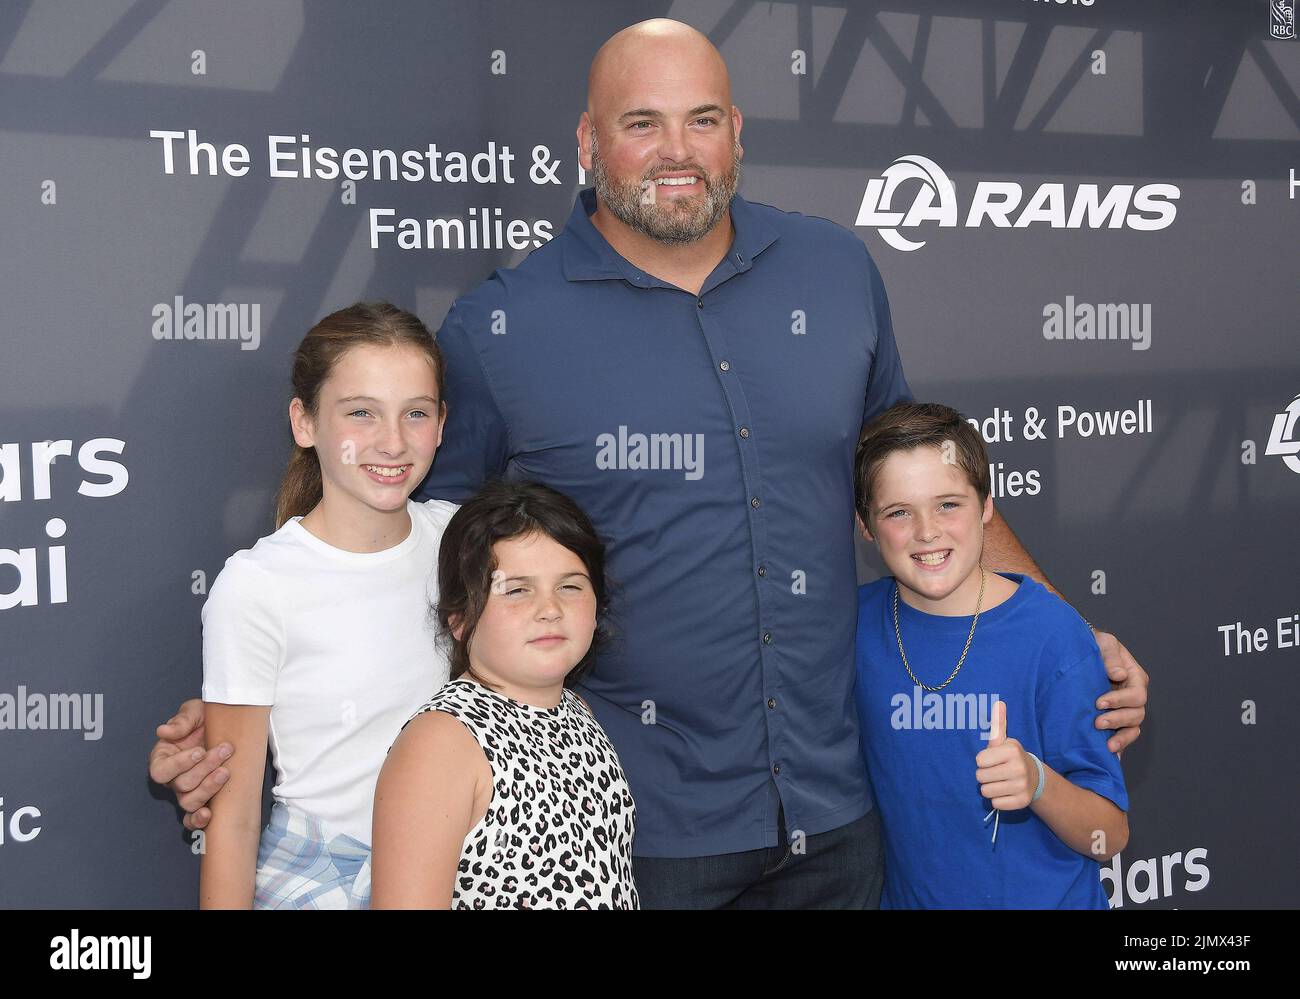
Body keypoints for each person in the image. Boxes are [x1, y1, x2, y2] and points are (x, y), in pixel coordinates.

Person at [152, 18, 1148, 909]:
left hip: (842, 814)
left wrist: (1066, 641)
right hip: (638, 827)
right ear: (588, 144)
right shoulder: (503, 328)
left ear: (737, 134)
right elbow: (420, 551)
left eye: (702, 119)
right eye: (642, 124)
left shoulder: (835, 272)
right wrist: (250, 714)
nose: (677, 151)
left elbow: (925, 485)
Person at [197, 302, 456, 908]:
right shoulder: (257, 585)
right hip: (323, 878)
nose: (392, 442)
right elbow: (231, 820)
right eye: (360, 413)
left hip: (462, 871)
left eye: (415, 413)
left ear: (441, 424)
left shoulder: (462, 541)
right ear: (305, 422)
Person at [852, 402, 1128, 907]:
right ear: (866, 526)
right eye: (898, 512)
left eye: (949, 504)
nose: (927, 531)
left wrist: (1038, 781)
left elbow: (1109, 835)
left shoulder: (1053, 634)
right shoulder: (851, 625)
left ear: (985, 508)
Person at [369, 480, 639, 909]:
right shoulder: (442, 742)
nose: (550, 609)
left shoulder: (578, 711)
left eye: (570, 586)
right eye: (516, 590)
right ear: (459, 619)